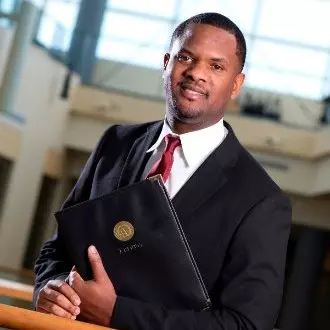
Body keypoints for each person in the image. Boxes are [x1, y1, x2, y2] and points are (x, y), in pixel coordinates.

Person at [34, 12, 291, 330]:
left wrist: (117, 313)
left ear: (236, 84)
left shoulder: (260, 200)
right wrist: (52, 289)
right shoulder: (115, 143)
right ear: (167, 62)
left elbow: (246, 324)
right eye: (186, 57)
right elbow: (58, 248)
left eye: (216, 66)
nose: (196, 73)